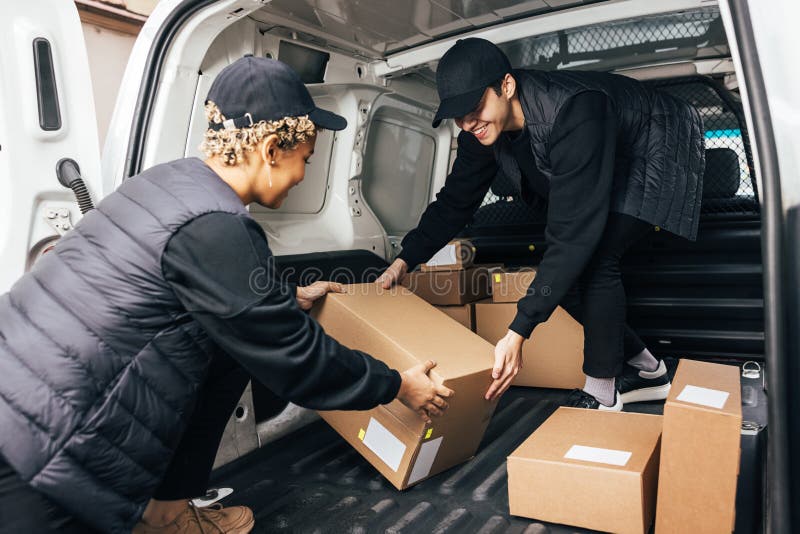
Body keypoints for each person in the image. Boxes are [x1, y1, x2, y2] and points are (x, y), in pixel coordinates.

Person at [0, 56, 453, 534]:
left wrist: (285, 296)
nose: (303, 174)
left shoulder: (172, 184)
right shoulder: (217, 226)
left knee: (227, 349)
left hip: (26, 405)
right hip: (38, 451)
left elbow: (206, 288)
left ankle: (166, 515)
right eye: (307, 158)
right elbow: (298, 361)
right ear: (273, 148)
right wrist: (399, 385)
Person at [377, 38, 704, 411]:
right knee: (560, 280)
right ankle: (650, 371)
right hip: (604, 162)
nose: (467, 122)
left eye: (473, 107)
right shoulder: (479, 131)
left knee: (594, 258)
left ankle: (602, 392)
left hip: (653, 151)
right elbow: (456, 200)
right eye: (457, 115)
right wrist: (406, 259)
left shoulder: (575, 109)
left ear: (507, 86)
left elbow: (573, 236)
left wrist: (518, 331)